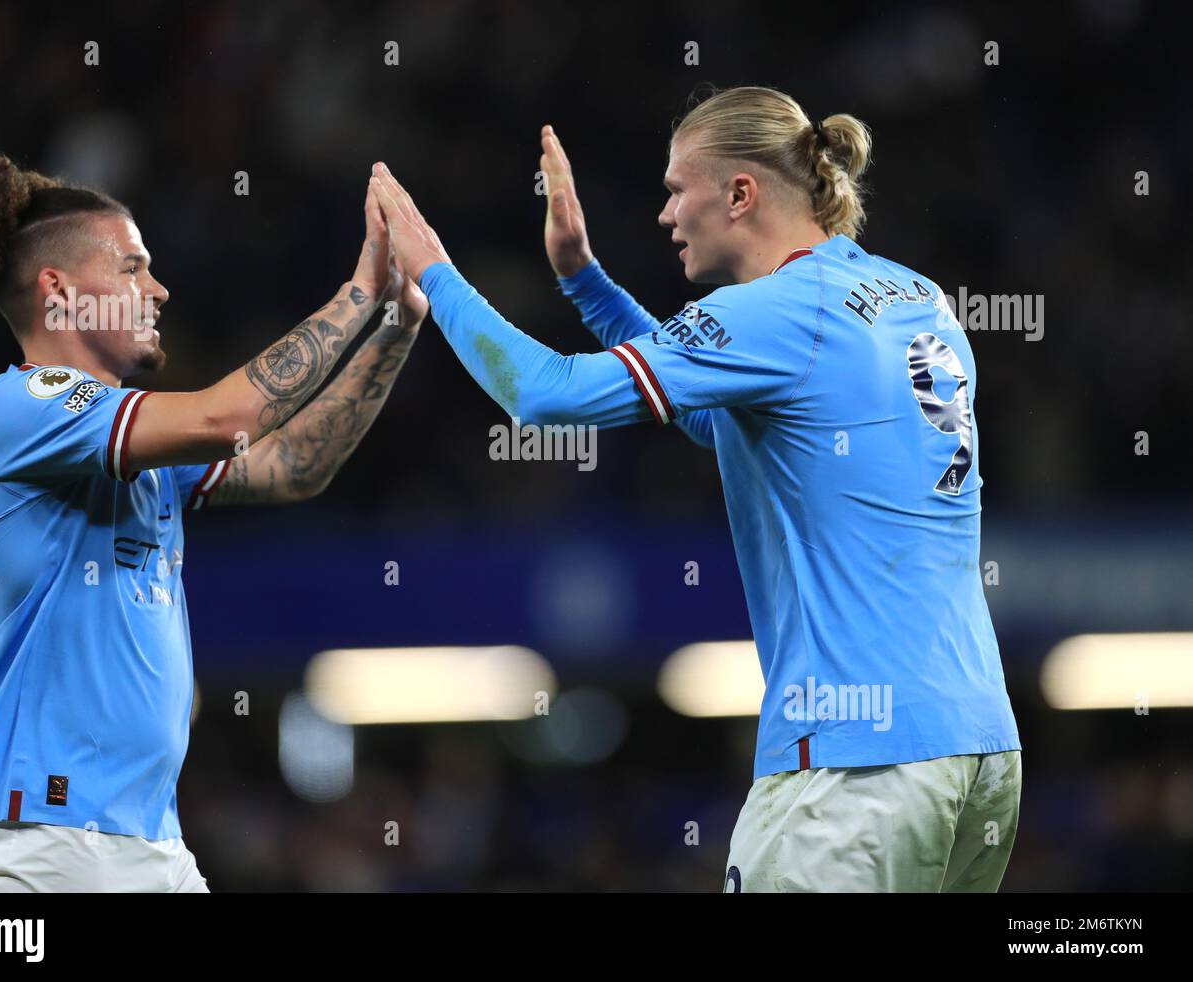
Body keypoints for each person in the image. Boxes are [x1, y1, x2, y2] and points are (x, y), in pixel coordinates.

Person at [370, 85, 1022, 892]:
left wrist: (433, 269)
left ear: (739, 193)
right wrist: (584, 281)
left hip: (856, 766)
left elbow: (544, 395)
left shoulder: (772, 313)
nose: (665, 214)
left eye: (679, 189)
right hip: (979, 750)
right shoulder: (917, 298)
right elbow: (742, 433)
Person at [0, 149, 427, 891]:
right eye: (131, 268)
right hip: (34, 837)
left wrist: (394, 322)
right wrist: (359, 290)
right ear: (59, 290)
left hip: (149, 840)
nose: (157, 290)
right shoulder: (20, 408)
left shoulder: (131, 441)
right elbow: (226, 416)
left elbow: (293, 466)